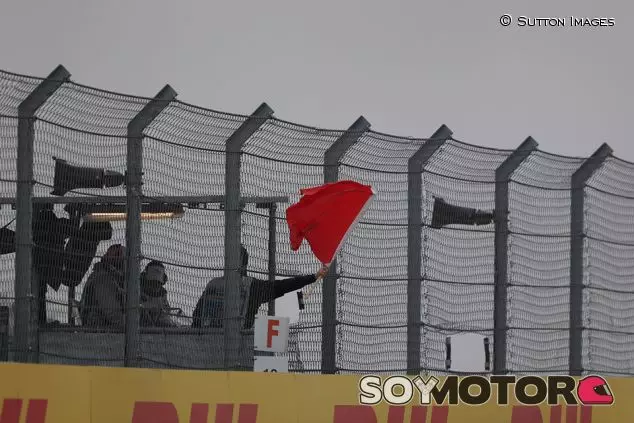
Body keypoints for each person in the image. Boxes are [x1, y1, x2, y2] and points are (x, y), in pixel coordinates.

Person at [192, 245, 329, 329]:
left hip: (208, 339)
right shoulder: (253, 286)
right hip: (241, 341)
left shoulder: (214, 284)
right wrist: (313, 277)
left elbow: (197, 315)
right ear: (244, 265)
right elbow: (283, 286)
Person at [79, 244, 126, 329]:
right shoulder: (103, 278)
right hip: (100, 333)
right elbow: (113, 314)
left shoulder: (113, 279)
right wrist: (134, 324)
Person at [140, 260, 177, 327]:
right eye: (152, 284)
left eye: (157, 284)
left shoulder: (162, 294)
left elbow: (166, 313)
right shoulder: (139, 292)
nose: (155, 287)